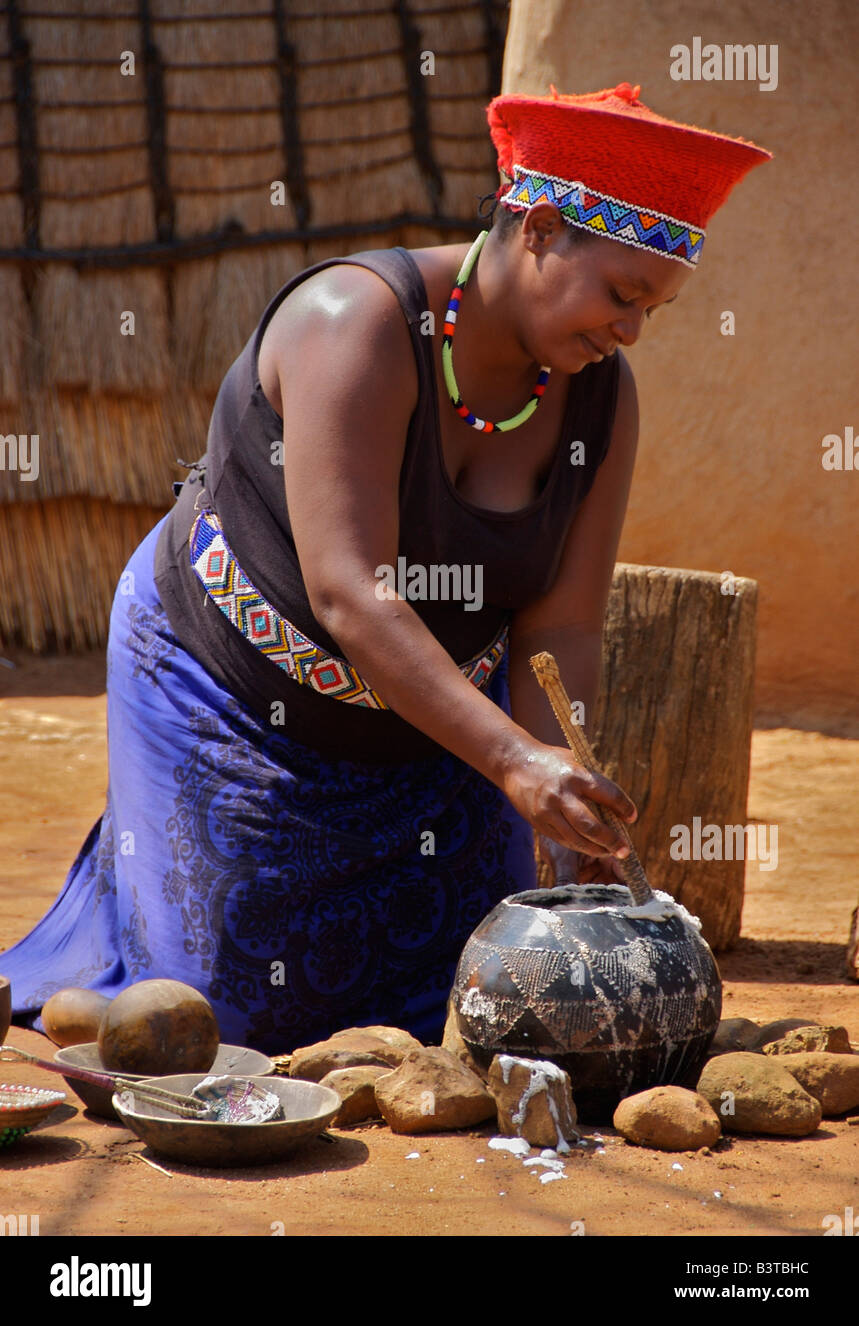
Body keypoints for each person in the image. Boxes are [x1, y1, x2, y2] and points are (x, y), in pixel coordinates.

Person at [0, 83, 771, 1053]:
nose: (630, 332)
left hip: (431, 729)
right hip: (228, 696)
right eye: (622, 296)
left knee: (499, 997)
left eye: (652, 309)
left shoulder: (599, 399)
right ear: (536, 228)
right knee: (230, 1027)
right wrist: (512, 762)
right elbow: (350, 593)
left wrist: (552, 784)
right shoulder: (352, 323)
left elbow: (560, 625)